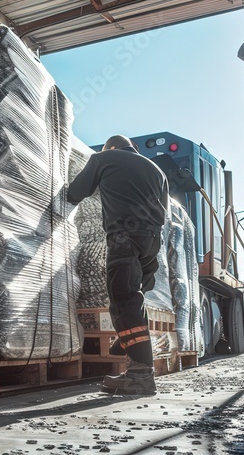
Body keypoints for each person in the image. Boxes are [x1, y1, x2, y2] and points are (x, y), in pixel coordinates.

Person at [66, 135, 169, 395]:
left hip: (124, 238)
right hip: (151, 240)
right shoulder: (157, 171)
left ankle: (141, 376)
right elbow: (164, 211)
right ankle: (128, 350)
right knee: (134, 300)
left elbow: (75, 192)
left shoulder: (104, 158)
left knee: (124, 302)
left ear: (110, 147)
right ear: (133, 148)